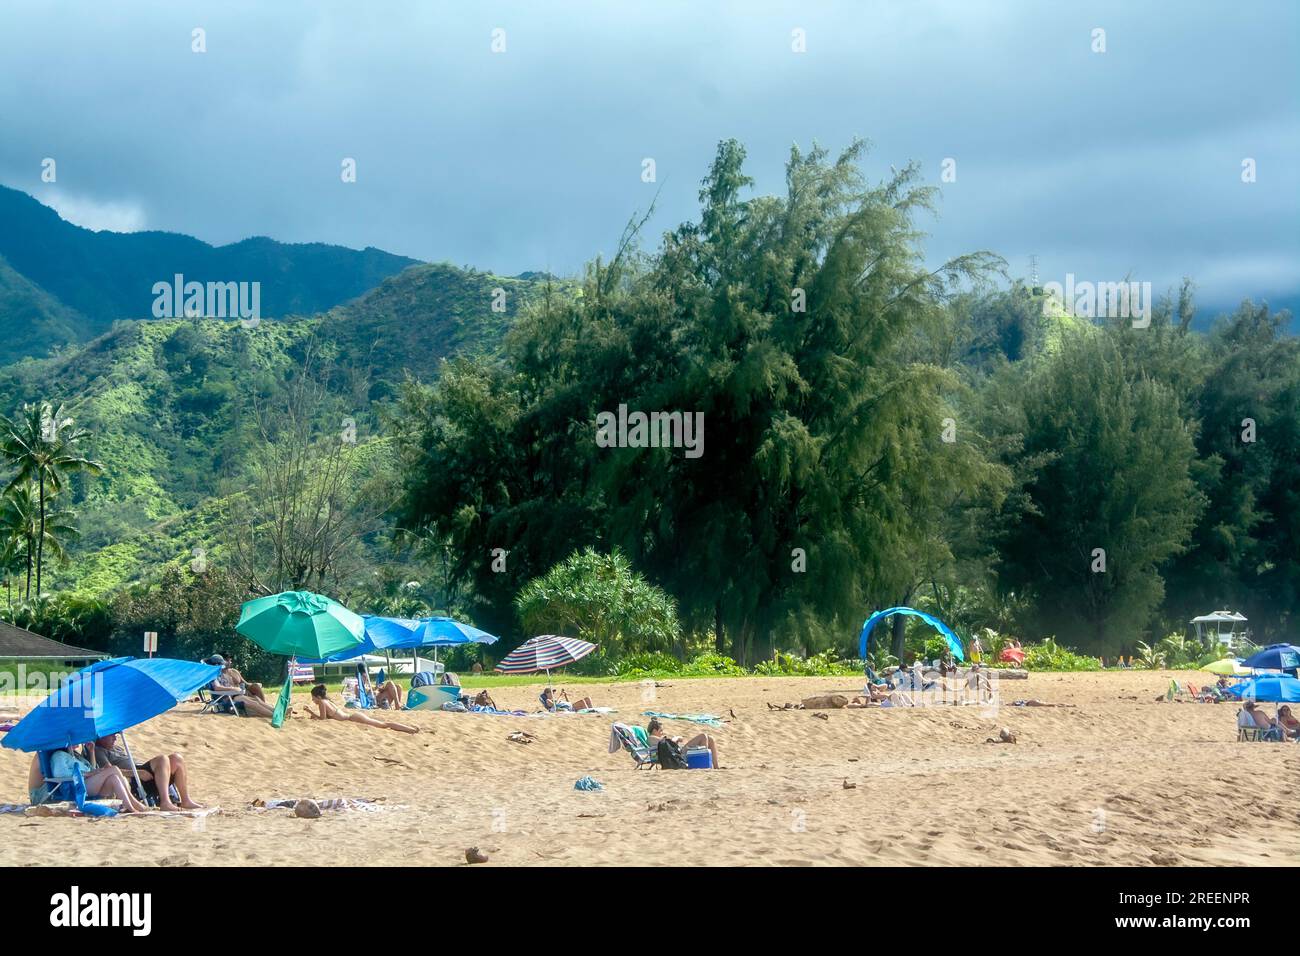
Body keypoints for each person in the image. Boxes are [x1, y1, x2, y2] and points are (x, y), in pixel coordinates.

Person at [90, 734, 202, 811]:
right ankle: (165, 803)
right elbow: (108, 771)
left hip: (141, 770)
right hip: (136, 779)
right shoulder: (99, 750)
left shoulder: (117, 748)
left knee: (177, 758)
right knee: (162, 759)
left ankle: (186, 800)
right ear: (100, 737)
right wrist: (138, 773)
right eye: (111, 735)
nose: (115, 738)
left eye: (115, 735)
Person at [27, 746, 151, 813]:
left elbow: (92, 768)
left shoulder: (75, 755)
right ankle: (133, 805)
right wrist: (88, 774)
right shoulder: (58, 755)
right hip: (75, 787)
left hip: (85, 783)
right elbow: (61, 774)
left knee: (113, 777)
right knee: (113, 769)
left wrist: (91, 752)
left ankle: (129, 805)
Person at [308, 684, 418, 733]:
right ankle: (409, 728)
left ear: (318, 697)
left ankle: (410, 729)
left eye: (313, 699)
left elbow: (322, 719)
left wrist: (309, 711)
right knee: (384, 724)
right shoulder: (326, 701)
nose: (313, 701)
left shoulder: (322, 702)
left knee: (385, 724)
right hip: (353, 717)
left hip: (353, 718)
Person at [205, 656, 278, 719]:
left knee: (257, 699)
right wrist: (233, 689)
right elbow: (217, 687)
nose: (223, 665)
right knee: (253, 703)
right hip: (226, 698)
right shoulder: (213, 676)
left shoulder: (218, 673)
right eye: (222, 664)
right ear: (217, 665)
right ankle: (274, 716)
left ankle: (276, 712)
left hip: (232, 695)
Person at [646, 717, 720, 769]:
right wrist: (677, 738)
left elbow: (667, 745)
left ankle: (716, 766)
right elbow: (666, 744)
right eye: (660, 731)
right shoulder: (651, 738)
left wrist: (675, 740)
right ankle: (704, 763)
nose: (662, 733)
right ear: (654, 731)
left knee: (710, 739)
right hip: (678, 754)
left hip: (677, 751)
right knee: (703, 736)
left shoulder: (657, 738)